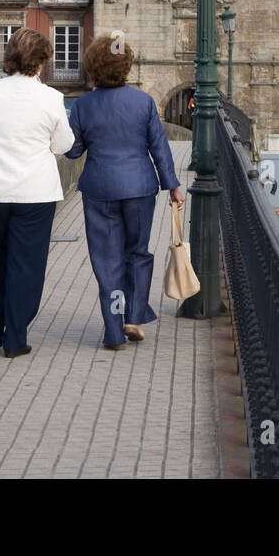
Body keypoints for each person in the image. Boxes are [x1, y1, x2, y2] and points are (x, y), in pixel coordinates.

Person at [0, 29, 74, 358]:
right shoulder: (51, 98)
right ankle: (15, 338)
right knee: (26, 265)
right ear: (41, 62)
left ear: (8, 57)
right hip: (34, 194)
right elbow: (63, 145)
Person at [65, 34, 184, 351]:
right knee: (138, 252)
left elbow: (74, 152)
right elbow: (159, 147)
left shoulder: (83, 105)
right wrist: (172, 184)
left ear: (93, 68)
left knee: (107, 261)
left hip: (100, 188)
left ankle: (114, 331)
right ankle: (134, 316)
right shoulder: (143, 102)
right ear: (126, 66)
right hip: (139, 188)